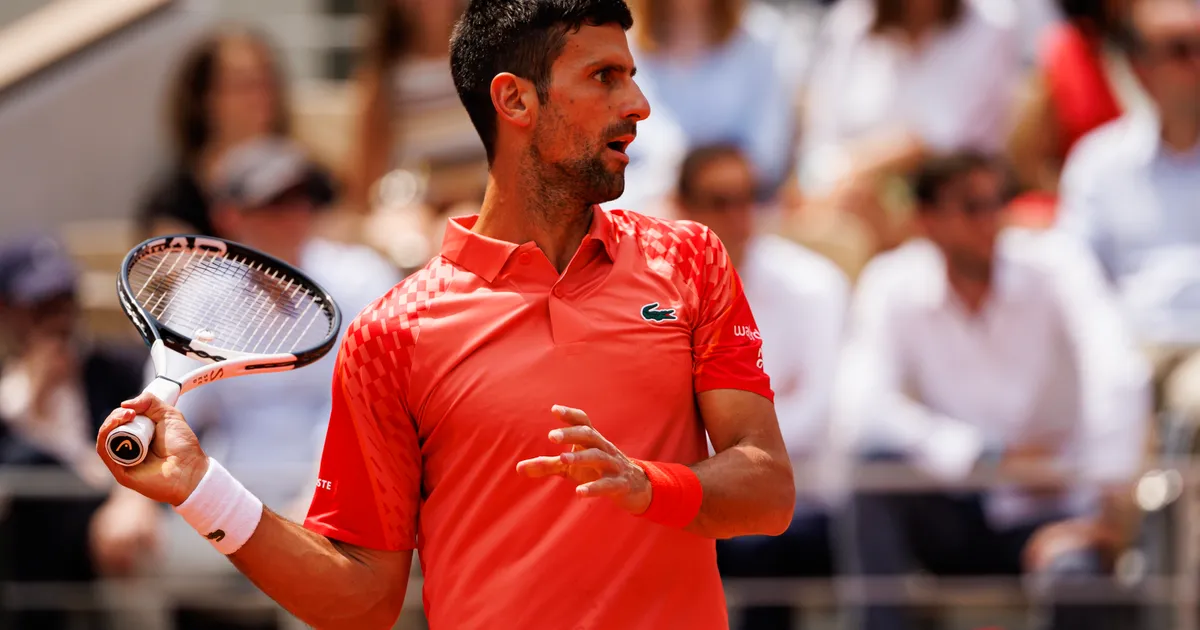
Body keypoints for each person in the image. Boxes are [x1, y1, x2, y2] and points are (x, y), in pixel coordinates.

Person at [95, 3, 795, 630]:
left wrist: (650, 486)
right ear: (514, 100)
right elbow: (360, 601)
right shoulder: (392, 335)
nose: (637, 104)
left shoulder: (693, 259)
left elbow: (767, 488)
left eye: (631, 75)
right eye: (604, 77)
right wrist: (201, 488)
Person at [834, 153, 1150, 630]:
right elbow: (863, 409)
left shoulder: (1056, 264)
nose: (991, 220)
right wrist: (985, 456)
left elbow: (1117, 370)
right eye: (971, 206)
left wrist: (1103, 505)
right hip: (956, 507)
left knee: (1075, 578)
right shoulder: (892, 283)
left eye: (997, 202)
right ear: (926, 220)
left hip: (1053, 514)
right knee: (874, 470)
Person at [103, 138, 402, 630]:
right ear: (230, 216)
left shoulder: (364, 278)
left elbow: (372, 417)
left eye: (301, 199)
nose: (293, 215)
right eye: (273, 203)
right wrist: (129, 499)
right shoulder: (201, 292)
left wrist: (320, 503)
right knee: (119, 543)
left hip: (334, 504)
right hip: (226, 496)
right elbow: (174, 408)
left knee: (323, 572)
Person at [672, 144, 848, 630]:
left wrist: (713, 446)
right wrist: (749, 428)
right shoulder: (656, 291)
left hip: (798, 498)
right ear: (683, 206)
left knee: (757, 539)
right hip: (690, 494)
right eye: (720, 201)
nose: (740, 215)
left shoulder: (815, 285)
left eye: (751, 197)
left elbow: (818, 416)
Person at [1055, 0, 1200, 423]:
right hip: (1126, 349)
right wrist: (1107, 350)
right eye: (1180, 50)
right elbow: (1075, 274)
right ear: (1141, 68)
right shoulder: (1099, 162)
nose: (1197, 62)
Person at [0, 235, 148, 630]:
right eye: (41, 306)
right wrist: (31, 405)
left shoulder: (120, 369)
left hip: (108, 523)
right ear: (7, 310)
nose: (58, 319)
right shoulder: (8, 392)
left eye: (65, 300)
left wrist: (130, 500)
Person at [795, 0, 1020, 255]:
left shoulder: (992, 23)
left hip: (951, 206)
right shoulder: (850, 20)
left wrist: (860, 171)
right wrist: (840, 183)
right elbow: (818, 146)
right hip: (845, 200)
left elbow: (947, 140)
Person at [138, 27, 336, 238]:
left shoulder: (311, 179)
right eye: (243, 85)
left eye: (266, 82)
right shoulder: (174, 202)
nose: (259, 97)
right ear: (204, 99)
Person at [615, 0, 795, 211]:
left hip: (734, 213)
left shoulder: (761, 39)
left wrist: (706, 189)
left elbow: (767, 156)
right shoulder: (618, 43)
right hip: (641, 211)